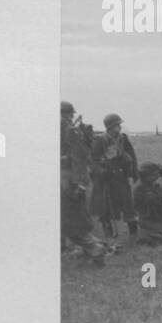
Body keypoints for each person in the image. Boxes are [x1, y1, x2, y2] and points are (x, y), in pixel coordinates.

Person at [60, 102, 106, 265]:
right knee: (71, 216)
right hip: (70, 179)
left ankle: (95, 248)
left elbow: (79, 157)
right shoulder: (69, 130)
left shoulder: (70, 131)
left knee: (71, 218)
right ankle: (90, 247)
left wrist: (79, 183)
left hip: (69, 179)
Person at [90, 113, 139, 241]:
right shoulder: (100, 140)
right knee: (106, 208)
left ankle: (134, 235)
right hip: (107, 179)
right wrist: (101, 172)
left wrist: (134, 172)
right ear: (110, 127)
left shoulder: (123, 139)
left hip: (122, 177)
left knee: (128, 204)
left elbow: (131, 155)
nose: (120, 127)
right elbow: (93, 160)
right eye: (117, 125)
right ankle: (109, 236)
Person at [133, 164, 162, 246]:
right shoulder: (140, 188)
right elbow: (159, 199)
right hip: (147, 219)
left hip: (156, 217)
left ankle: (151, 235)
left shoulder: (151, 184)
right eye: (154, 174)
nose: (157, 176)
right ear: (147, 176)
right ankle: (146, 234)